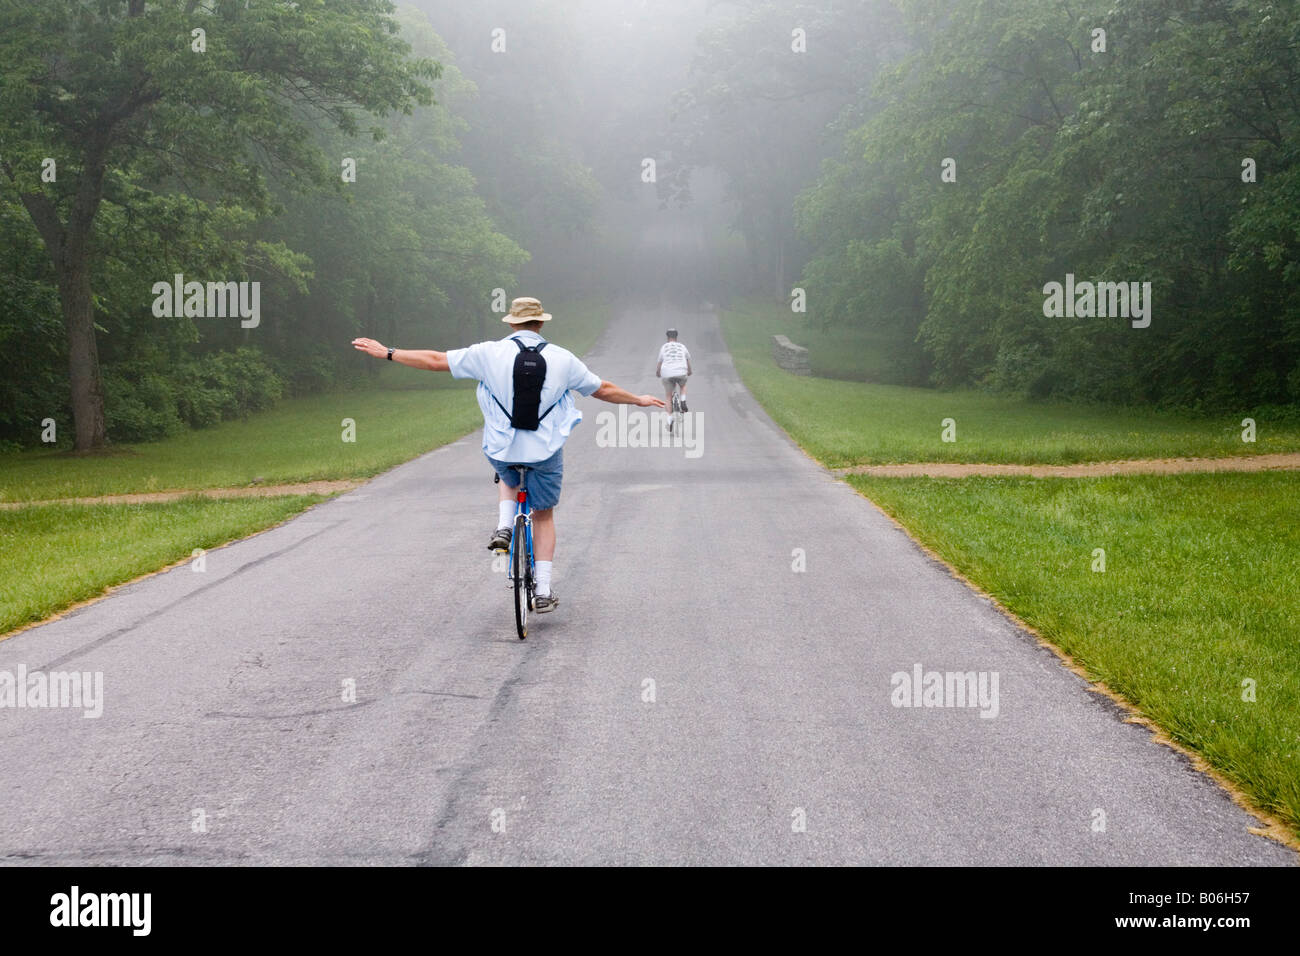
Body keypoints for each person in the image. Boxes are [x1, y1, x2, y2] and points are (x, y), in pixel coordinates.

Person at [352, 297, 664, 613]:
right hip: (544, 451)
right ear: (541, 323)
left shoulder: (488, 353)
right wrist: (638, 399)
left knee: (506, 471)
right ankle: (542, 590)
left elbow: (434, 360)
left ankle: (504, 525)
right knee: (543, 515)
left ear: (512, 323)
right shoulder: (563, 358)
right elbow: (603, 388)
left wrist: (388, 352)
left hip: (501, 448)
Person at [655, 328, 692, 415]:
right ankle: (683, 401)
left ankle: (669, 418)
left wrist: (658, 372)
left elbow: (660, 363)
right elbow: (687, 361)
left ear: (667, 337)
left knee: (668, 396)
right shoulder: (682, 346)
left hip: (667, 373)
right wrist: (689, 371)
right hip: (681, 371)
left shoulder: (664, 347)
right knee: (683, 386)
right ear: (676, 337)